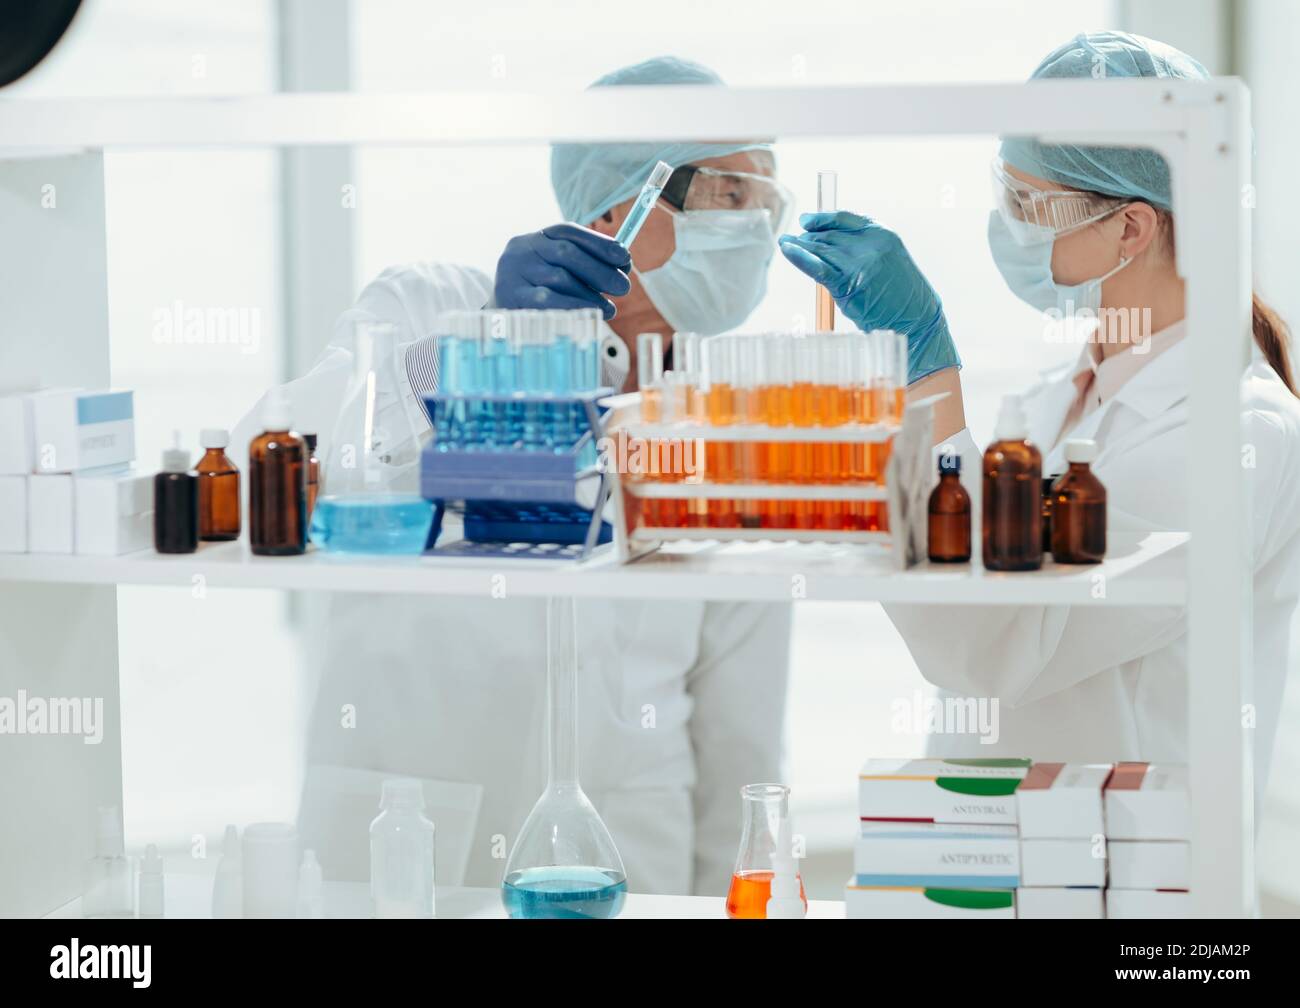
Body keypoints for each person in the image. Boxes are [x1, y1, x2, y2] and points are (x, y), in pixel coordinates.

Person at [232, 56, 797, 897]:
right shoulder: (423, 309)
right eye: (731, 195)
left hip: (632, 859)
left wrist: (734, 898)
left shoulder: (736, 429)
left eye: (767, 199)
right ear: (619, 207)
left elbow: (739, 738)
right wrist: (483, 348)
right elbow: (265, 460)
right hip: (407, 838)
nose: (761, 229)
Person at [782, 31, 1300, 796]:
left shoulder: (1237, 436)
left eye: (1029, 204)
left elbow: (1001, 643)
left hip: (1127, 874)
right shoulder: (1060, 395)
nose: (1009, 225)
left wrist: (927, 370)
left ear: (1130, 228)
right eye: (1005, 192)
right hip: (994, 855)